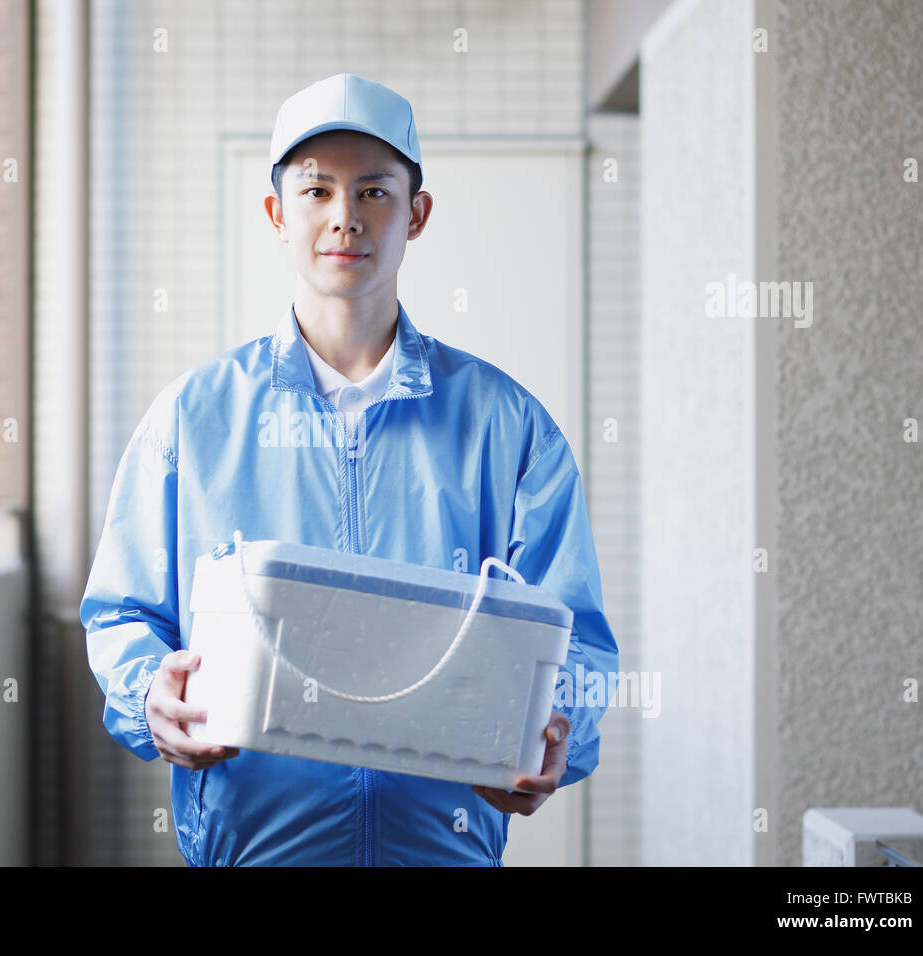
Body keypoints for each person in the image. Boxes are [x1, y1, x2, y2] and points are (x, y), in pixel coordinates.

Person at [80, 72, 618, 865]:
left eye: (373, 191)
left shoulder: (508, 426)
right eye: (316, 190)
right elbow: (121, 613)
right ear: (277, 213)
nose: (344, 217)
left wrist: (556, 741)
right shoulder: (194, 420)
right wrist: (147, 693)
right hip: (254, 850)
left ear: (416, 214)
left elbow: (578, 641)